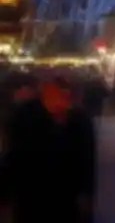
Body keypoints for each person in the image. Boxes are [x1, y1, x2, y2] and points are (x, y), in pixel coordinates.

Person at [4, 77, 97, 223]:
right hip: (36, 195)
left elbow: (87, 160)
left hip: (57, 195)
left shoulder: (79, 120)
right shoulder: (24, 116)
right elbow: (14, 157)